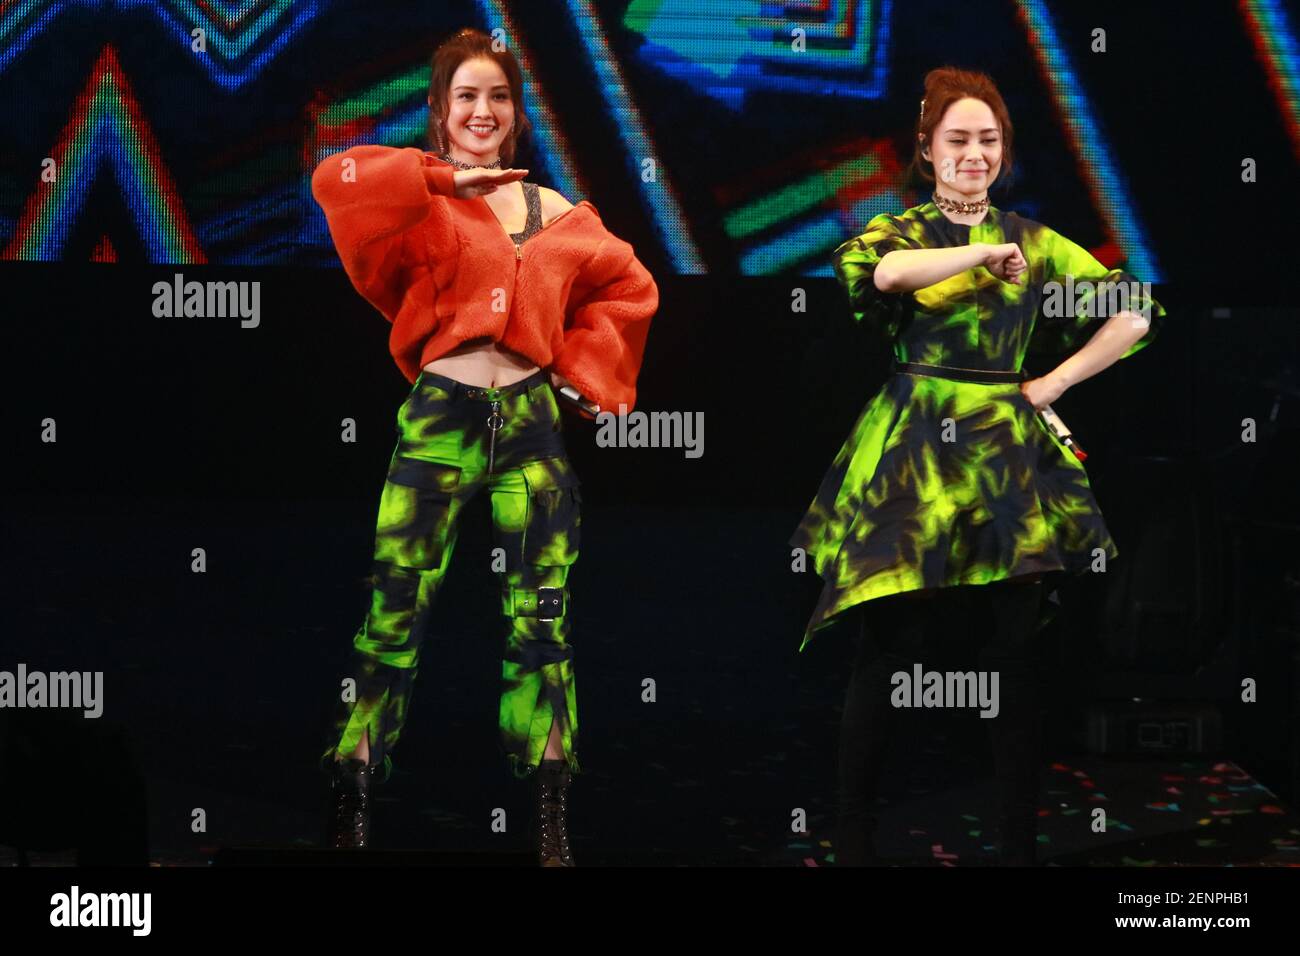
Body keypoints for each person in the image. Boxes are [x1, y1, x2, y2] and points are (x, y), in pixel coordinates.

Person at [789, 67, 1166, 865]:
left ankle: (1016, 841)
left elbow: (1137, 309)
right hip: (915, 444)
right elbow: (882, 276)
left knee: (1018, 654)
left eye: (987, 140)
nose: (974, 153)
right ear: (927, 151)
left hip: (1003, 447)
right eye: (957, 140)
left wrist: (1055, 381)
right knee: (885, 641)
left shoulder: (1038, 241)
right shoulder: (905, 231)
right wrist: (978, 252)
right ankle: (854, 835)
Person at [310, 27, 658, 865]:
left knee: (541, 620)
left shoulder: (564, 216)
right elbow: (334, 179)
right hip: (440, 416)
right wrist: (438, 176)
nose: (482, 110)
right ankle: (351, 797)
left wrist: (584, 369)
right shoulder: (419, 199)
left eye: (497, 97)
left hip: (531, 426)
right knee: (394, 609)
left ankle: (548, 817)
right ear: (440, 111)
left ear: (516, 113)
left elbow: (631, 287)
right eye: (466, 96)